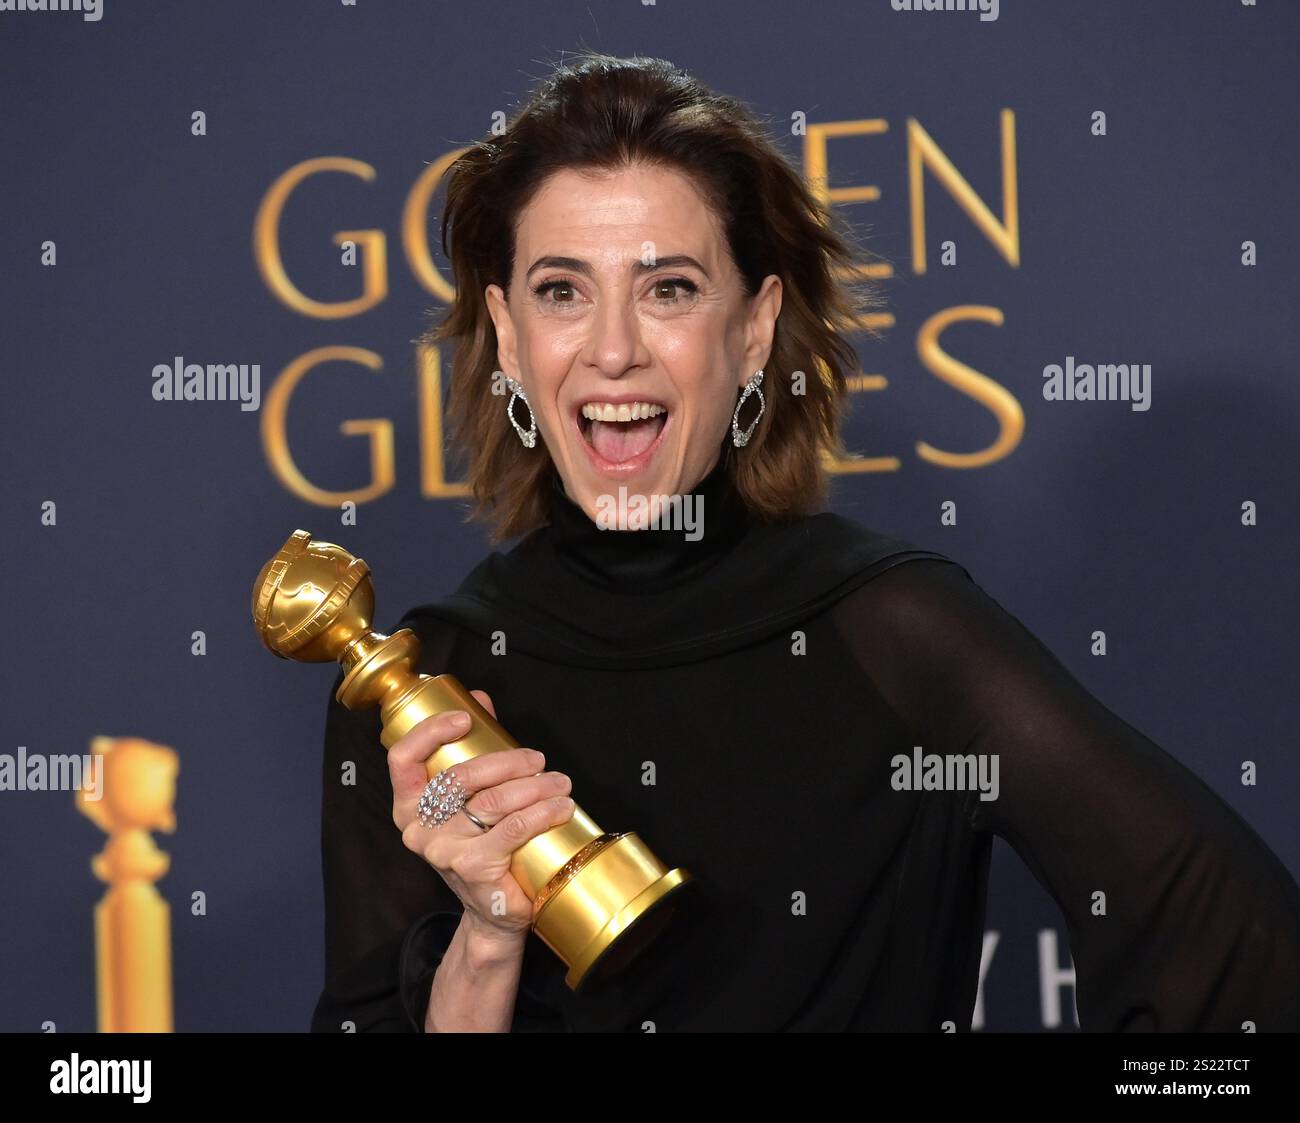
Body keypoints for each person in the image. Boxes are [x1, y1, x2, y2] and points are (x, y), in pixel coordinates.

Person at [310, 52, 1300, 1033]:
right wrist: (487, 938)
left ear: (752, 330)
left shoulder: (900, 636)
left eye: (669, 289)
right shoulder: (420, 696)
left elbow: (1230, 944)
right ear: (511, 337)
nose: (612, 347)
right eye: (563, 291)